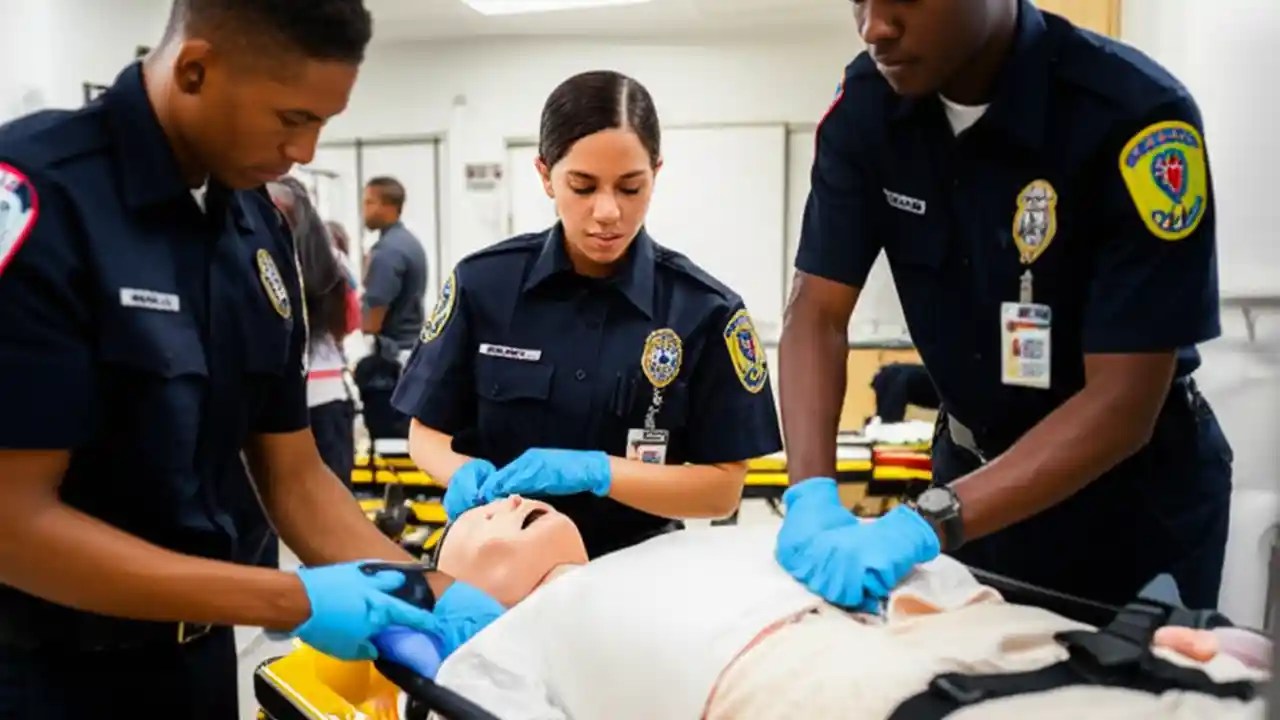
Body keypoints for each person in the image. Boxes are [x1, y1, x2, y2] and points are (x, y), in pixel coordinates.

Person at [0, 2, 500, 717]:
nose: (306, 150)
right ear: (197, 68)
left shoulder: (255, 227)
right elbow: (12, 523)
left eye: (323, 122)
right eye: (292, 118)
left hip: (194, 667)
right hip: (46, 676)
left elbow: (292, 471)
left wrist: (422, 587)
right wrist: (288, 597)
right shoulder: (41, 197)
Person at [776, 0, 1233, 617]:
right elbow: (817, 313)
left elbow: (1123, 404)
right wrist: (810, 495)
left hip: (1130, 502)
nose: (874, 26)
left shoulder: (1134, 116)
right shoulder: (866, 108)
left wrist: (927, 523)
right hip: (968, 473)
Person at [390, 497, 1267, 720]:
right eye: (481, 521)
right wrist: (439, 634)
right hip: (787, 681)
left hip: (931, 623)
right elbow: (475, 701)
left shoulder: (694, 540)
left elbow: (888, 579)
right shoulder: (517, 638)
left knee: (1177, 671)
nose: (507, 504)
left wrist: (964, 596)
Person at [390, 70, 784, 559]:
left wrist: (597, 471)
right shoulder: (484, 284)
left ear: (656, 174)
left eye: (630, 188)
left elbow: (722, 488)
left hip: (635, 569)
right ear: (544, 175)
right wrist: (459, 472)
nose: (607, 212)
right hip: (499, 560)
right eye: (582, 186)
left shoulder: (704, 311)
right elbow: (425, 432)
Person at [268, 177, 359, 486]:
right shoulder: (333, 262)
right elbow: (350, 322)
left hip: (272, 402)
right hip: (328, 391)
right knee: (334, 498)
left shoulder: (261, 256)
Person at [361, 175, 428, 357]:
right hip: (412, 346)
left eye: (369, 203)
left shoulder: (388, 251)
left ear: (388, 206)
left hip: (394, 353)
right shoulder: (409, 242)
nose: (363, 210)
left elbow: (374, 311)